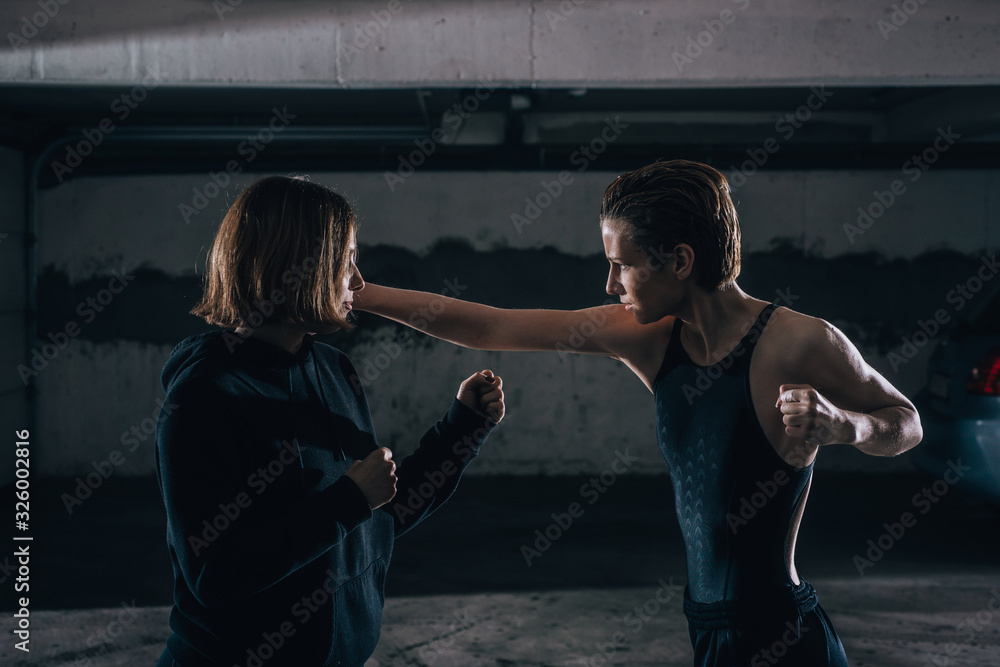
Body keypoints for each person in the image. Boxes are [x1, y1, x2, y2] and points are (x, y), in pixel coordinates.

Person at [353, 159, 923, 666]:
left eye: (621, 265)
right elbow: (490, 326)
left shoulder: (800, 342)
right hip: (706, 629)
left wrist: (847, 425)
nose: (610, 284)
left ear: (679, 260)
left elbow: (906, 422)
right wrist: (356, 292)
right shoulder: (649, 339)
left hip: (785, 637)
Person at [153, 175, 504, 667]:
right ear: (295, 265)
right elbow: (216, 575)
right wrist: (348, 501)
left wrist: (462, 429)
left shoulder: (334, 369)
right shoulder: (203, 398)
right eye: (346, 259)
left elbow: (377, 517)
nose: (357, 281)